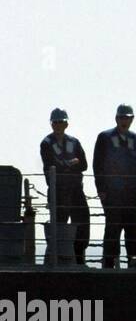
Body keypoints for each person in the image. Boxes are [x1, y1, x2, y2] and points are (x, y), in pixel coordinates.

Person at [93, 104, 136, 268]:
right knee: (113, 228)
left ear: (132, 119)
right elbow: (98, 165)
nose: (125, 121)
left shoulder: (134, 139)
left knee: (131, 229)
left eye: (128, 118)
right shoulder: (105, 137)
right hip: (112, 192)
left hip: (131, 193)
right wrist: (101, 189)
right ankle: (109, 263)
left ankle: (134, 262)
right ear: (116, 119)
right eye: (122, 118)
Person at [39, 108, 90, 265]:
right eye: (55, 122)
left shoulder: (74, 142)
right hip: (58, 191)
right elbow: (51, 164)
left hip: (75, 190)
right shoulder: (46, 143)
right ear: (51, 124)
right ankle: (59, 261)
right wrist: (70, 163)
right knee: (59, 226)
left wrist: (64, 165)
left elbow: (84, 164)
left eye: (61, 122)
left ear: (66, 124)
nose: (58, 125)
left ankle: (79, 260)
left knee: (82, 224)